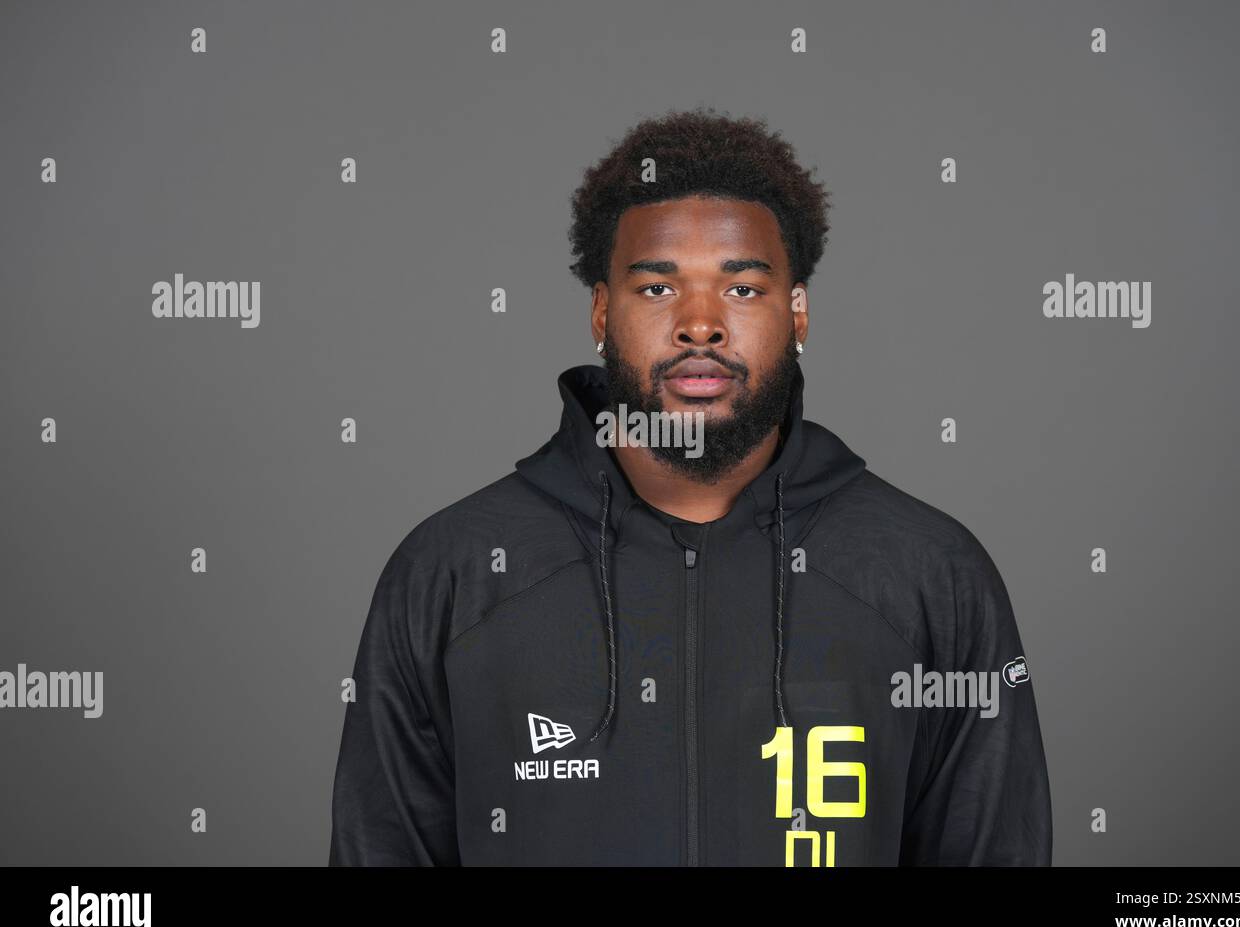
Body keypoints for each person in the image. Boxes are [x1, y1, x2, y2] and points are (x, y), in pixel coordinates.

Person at [328, 107, 1052, 866]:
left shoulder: (929, 572)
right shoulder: (455, 570)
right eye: (656, 290)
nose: (700, 325)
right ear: (601, 313)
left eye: (741, 290)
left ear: (798, 313)